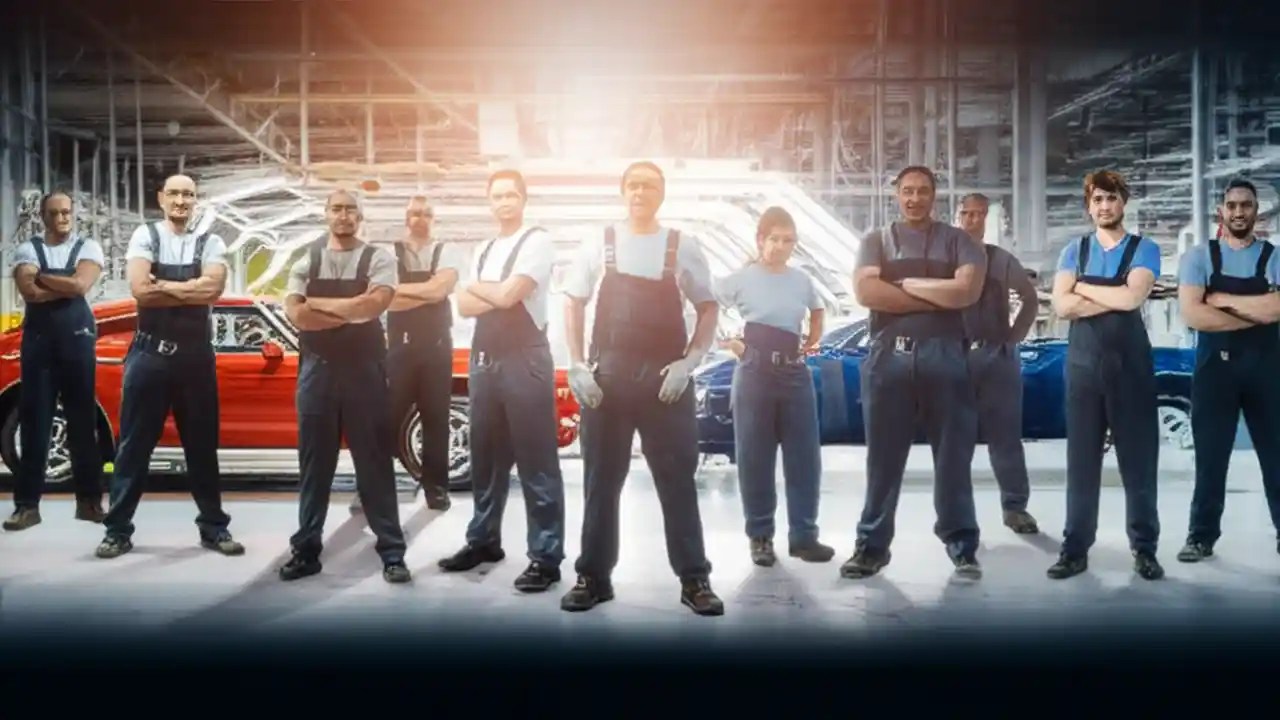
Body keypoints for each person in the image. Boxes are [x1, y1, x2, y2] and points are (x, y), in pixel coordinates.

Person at [560, 160, 724, 616]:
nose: (639, 192)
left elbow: (708, 307)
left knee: (677, 482)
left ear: (661, 193)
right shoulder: (600, 242)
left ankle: (694, 579)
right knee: (600, 481)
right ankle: (593, 577)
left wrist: (689, 362)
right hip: (608, 380)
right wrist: (576, 364)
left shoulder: (681, 245)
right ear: (622, 191)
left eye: (649, 186)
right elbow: (573, 300)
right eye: (632, 185)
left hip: (664, 381)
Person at [844, 166, 987, 581]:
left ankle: (962, 546)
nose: (914, 198)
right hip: (889, 359)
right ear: (897, 195)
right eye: (907, 191)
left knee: (954, 458)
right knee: (883, 460)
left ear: (934, 196)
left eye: (923, 191)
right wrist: (937, 296)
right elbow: (866, 291)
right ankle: (871, 548)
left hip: (947, 357)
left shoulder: (959, 241)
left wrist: (904, 287)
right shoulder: (875, 241)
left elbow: (966, 291)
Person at [96, 174, 243, 559]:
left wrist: (164, 287)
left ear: (195, 201)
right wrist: (191, 289)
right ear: (161, 198)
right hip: (150, 357)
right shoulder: (145, 236)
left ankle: (214, 528)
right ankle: (117, 531)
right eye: (174, 193)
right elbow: (141, 290)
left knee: (202, 447)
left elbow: (213, 290)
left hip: (196, 359)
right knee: (133, 447)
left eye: (188, 194)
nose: (181, 200)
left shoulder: (211, 242)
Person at [436, 169, 566, 594]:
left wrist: (480, 288)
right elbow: (464, 306)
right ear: (489, 202)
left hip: (524, 360)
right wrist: (490, 291)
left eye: (511, 195)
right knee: (486, 457)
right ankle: (484, 541)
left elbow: (510, 296)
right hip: (485, 359)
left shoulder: (538, 241)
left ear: (523, 199)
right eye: (497, 196)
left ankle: (545, 557)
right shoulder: (485, 249)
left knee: (535, 460)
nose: (504, 202)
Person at [278, 189, 411, 584]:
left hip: (364, 373)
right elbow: (298, 316)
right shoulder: (306, 258)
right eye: (336, 208)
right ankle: (306, 551)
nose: (344, 215)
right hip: (317, 373)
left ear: (360, 216)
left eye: (351, 209)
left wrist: (319, 305)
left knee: (375, 464)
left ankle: (392, 553)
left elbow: (373, 306)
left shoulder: (379, 259)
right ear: (326, 214)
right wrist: (350, 309)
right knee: (314, 467)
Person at [1048, 170, 1163, 581]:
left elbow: (1133, 297)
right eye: (1097, 199)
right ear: (1089, 205)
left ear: (1123, 202)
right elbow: (1062, 307)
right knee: (1081, 463)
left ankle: (1145, 549)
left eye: (1111, 198)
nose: (1104, 206)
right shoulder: (1073, 251)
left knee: (1139, 462)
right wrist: (1110, 295)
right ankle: (1074, 550)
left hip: (1131, 369)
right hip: (1083, 369)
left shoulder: (1144, 249)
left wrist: (1081, 288)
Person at [715, 207, 835, 566]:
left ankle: (804, 537)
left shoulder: (801, 280)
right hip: (755, 371)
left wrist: (812, 340)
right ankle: (761, 537)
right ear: (760, 240)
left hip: (794, 372)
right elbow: (705, 306)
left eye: (788, 241)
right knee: (756, 457)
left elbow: (817, 310)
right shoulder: (741, 279)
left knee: (805, 458)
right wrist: (731, 343)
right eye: (775, 239)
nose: (781, 246)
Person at [1175, 178, 1280, 562]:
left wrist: (1220, 300)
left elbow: (1278, 310)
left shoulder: (1274, 256)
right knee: (1210, 459)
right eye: (1232, 205)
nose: (1239, 212)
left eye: (1246, 205)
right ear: (1221, 211)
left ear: (1256, 211)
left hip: (1267, 371)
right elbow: (1194, 314)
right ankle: (1200, 537)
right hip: (1214, 373)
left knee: (1277, 457)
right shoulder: (1198, 257)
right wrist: (1256, 313)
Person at [3, 191, 105, 531]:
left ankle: (89, 503)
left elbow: (80, 285)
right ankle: (27, 507)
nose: (62, 218)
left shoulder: (88, 247)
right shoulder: (27, 248)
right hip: (39, 345)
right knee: (35, 423)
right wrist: (65, 285)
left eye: (66, 212)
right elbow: (29, 293)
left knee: (82, 423)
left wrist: (43, 276)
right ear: (43, 216)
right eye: (54, 213)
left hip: (78, 340)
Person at [956, 193, 1041, 534]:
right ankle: (957, 515)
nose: (973, 219)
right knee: (954, 442)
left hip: (997, 360)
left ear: (986, 219)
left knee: (1005, 438)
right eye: (967, 213)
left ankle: (1015, 508)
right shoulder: (944, 260)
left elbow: (1029, 299)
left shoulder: (1002, 261)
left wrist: (1013, 338)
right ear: (958, 216)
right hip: (954, 361)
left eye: (979, 214)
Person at [385, 194, 462, 511]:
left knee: (436, 419)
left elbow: (440, 290)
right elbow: (383, 299)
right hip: (398, 349)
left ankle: (436, 488)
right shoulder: (387, 254)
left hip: (437, 348)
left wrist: (399, 292)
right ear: (406, 217)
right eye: (415, 213)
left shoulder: (447, 250)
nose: (420, 218)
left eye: (426, 213)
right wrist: (426, 292)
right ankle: (373, 484)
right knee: (386, 418)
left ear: (434, 218)